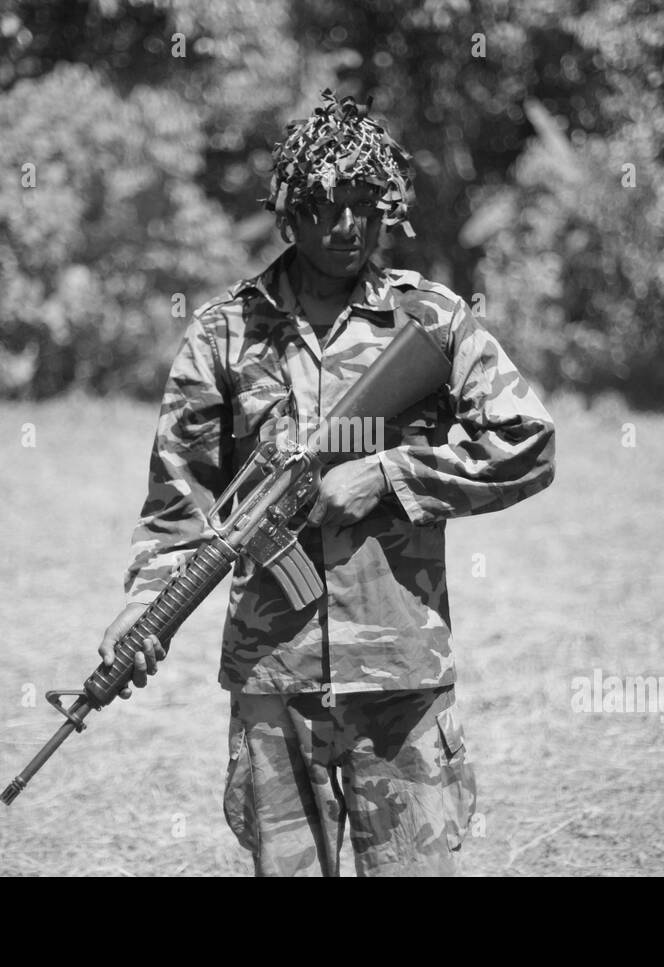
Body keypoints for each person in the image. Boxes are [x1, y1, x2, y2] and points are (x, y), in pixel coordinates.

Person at [98, 90, 555, 876]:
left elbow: (527, 442)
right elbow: (179, 505)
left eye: (366, 207)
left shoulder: (431, 321)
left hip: (400, 681)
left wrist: (390, 473)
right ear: (290, 212)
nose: (348, 226)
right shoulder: (225, 333)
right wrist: (143, 615)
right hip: (275, 687)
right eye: (326, 207)